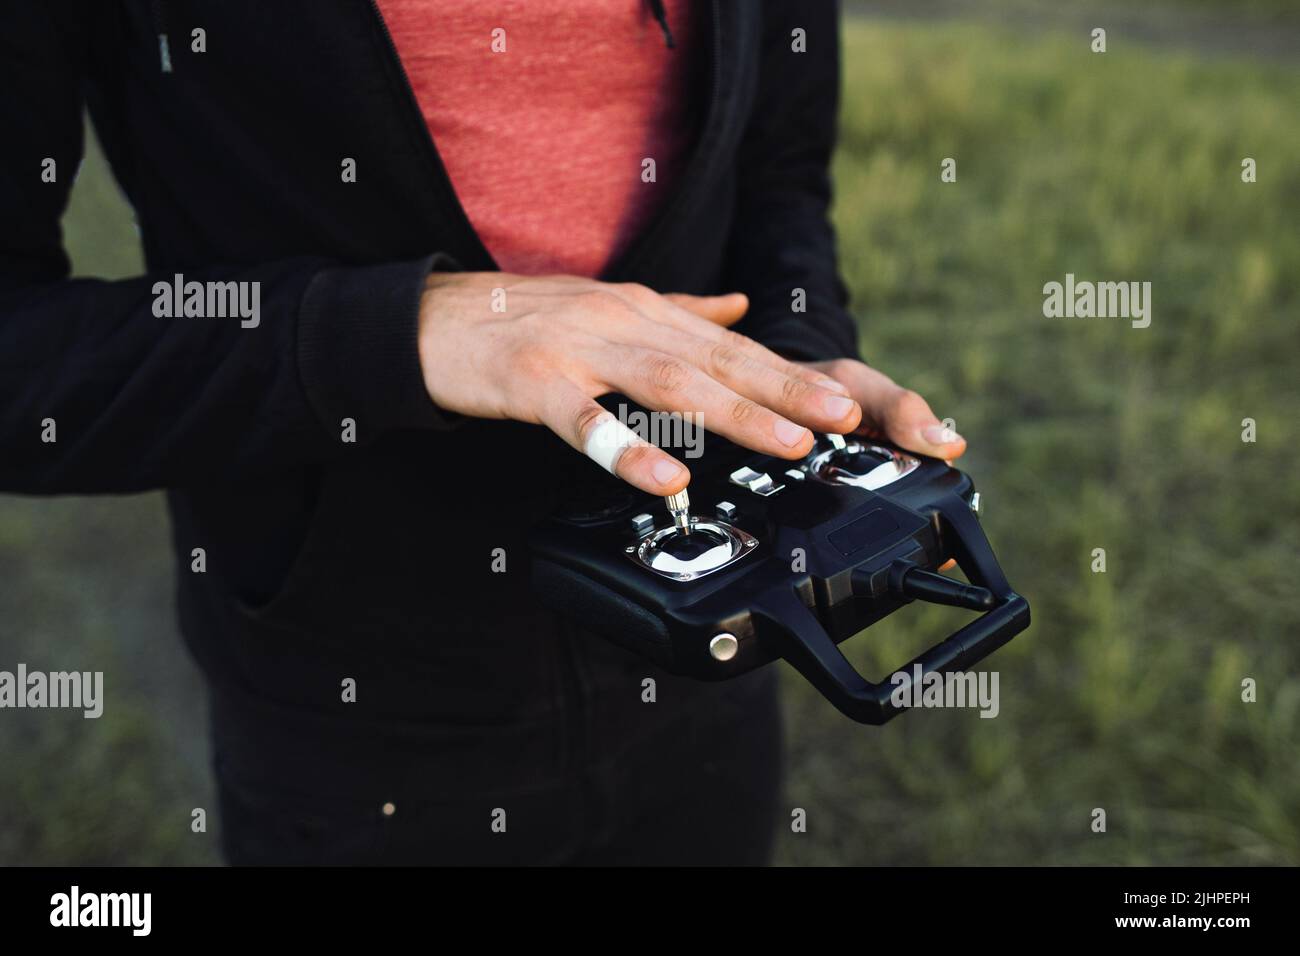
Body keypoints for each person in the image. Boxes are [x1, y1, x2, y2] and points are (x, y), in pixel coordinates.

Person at [0, 0, 965, 864]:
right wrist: (393, 329)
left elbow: (779, 168)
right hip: (356, 709)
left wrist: (795, 358)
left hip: (706, 642)